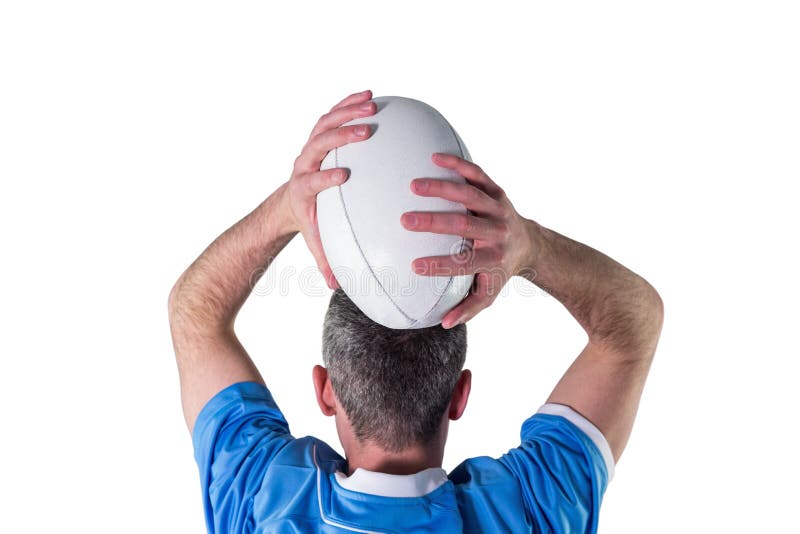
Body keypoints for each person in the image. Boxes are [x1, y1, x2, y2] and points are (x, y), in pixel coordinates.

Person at [168, 90, 664, 533]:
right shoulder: (532, 510)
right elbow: (631, 328)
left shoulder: (262, 502)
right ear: (460, 395)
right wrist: (530, 247)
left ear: (325, 391)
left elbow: (195, 313)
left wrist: (287, 207)